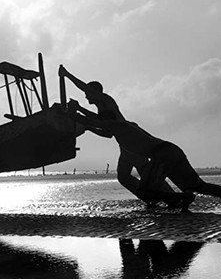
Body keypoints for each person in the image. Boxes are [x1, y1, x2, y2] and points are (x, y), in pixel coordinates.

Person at [69, 105, 221, 213]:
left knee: (146, 191)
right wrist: (83, 115)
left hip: (162, 155)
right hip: (171, 150)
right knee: (200, 185)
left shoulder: (116, 125)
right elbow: (98, 125)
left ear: (107, 120)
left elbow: (95, 122)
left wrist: (74, 112)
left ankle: (183, 197)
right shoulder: (123, 125)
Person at [60, 66, 181, 207]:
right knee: (123, 177)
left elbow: (86, 91)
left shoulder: (106, 100)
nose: (86, 96)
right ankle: (150, 198)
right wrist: (87, 124)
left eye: (88, 94)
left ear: (95, 92)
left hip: (132, 143)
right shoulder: (102, 110)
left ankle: (173, 199)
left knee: (145, 172)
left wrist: (67, 75)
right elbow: (107, 133)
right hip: (124, 146)